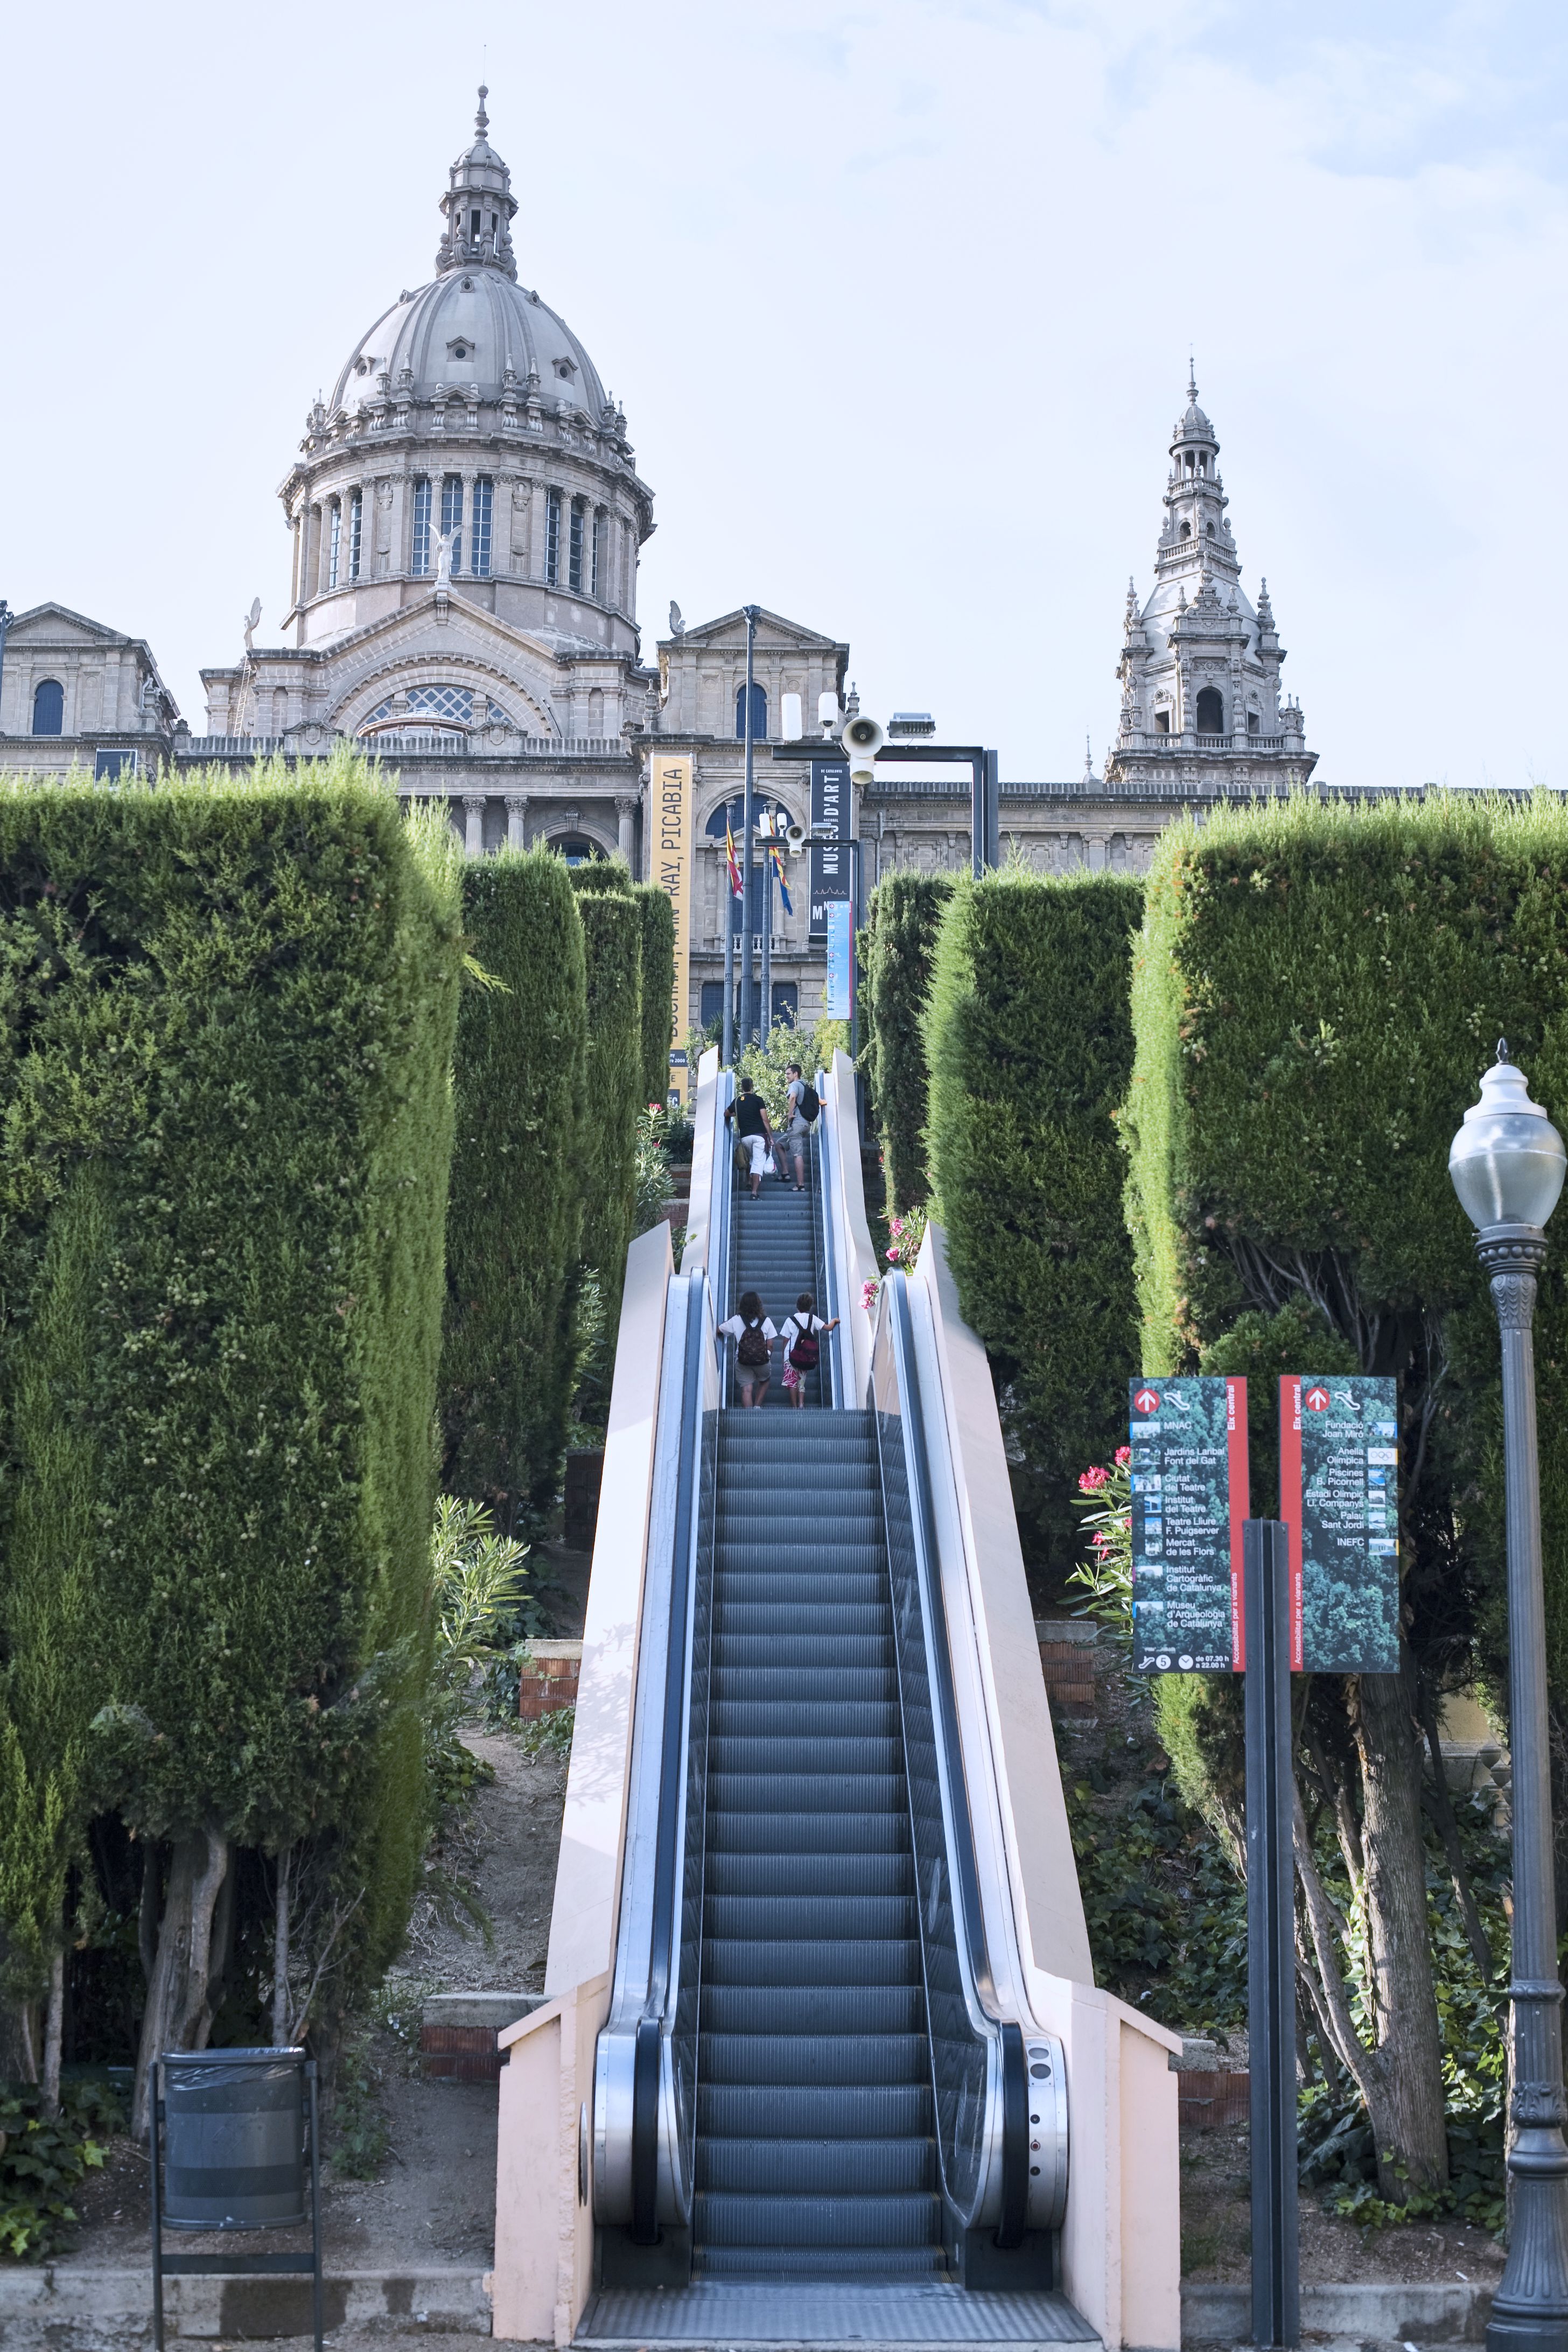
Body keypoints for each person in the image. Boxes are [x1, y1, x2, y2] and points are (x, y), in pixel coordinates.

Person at [779, 1290, 838, 1408]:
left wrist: (783, 1356)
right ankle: (801, 1404)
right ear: (809, 1307)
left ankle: (794, 1406)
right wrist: (835, 1321)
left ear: (797, 1306)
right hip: (805, 1355)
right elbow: (828, 1328)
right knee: (801, 1381)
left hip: (790, 1356)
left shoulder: (790, 1320)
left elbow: (785, 1340)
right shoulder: (813, 1318)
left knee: (791, 1382)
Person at [719, 1289, 777, 1406]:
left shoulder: (736, 1320)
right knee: (765, 1380)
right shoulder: (767, 1321)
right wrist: (767, 1354)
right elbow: (770, 1345)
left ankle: (749, 1417)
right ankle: (757, 1407)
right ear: (759, 1304)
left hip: (742, 1360)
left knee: (746, 1389)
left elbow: (719, 1330)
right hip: (762, 1361)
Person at [724, 1075, 774, 1199]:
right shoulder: (758, 1100)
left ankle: (749, 1182)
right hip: (759, 1137)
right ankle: (754, 1193)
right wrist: (771, 1137)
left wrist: (738, 1113)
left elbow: (726, 1113)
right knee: (757, 1163)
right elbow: (765, 1120)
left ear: (742, 1087)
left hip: (745, 1137)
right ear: (752, 1087)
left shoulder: (737, 1101)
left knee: (749, 1159)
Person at [775, 1061, 814, 1191]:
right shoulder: (805, 1086)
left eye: (788, 1074)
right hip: (804, 1125)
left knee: (797, 1155)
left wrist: (790, 1114)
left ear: (796, 1074)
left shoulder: (795, 1085)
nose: (787, 1076)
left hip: (797, 1124)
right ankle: (785, 1173)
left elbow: (792, 1098)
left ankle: (801, 1185)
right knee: (779, 1144)